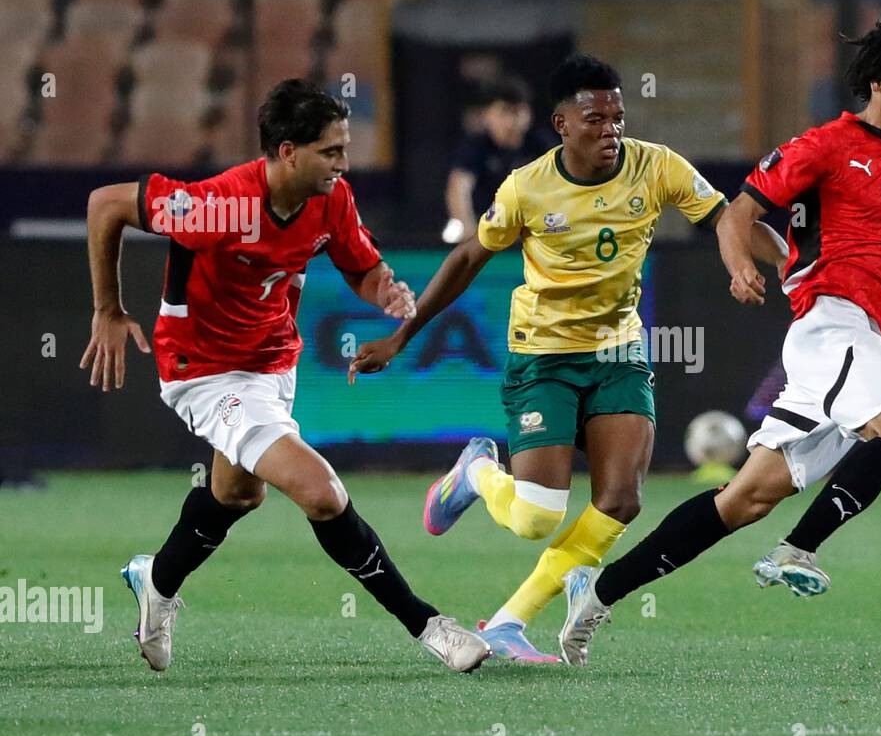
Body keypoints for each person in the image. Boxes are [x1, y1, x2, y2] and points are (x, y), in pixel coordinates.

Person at [558, 8, 881, 665]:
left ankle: (597, 591)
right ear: (877, 81)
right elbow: (740, 213)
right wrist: (739, 264)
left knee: (744, 498)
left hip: (871, 345)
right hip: (832, 324)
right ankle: (799, 550)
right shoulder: (823, 146)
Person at [348, 54, 786, 662]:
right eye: (594, 119)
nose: (610, 130)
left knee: (621, 501)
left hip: (619, 352)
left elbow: (729, 219)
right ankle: (476, 472)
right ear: (560, 123)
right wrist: (402, 335)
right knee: (534, 519)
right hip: (544, 357)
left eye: (618, 117)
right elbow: (469, 256)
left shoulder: (656, 167)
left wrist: (788, 264)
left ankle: (508, 622)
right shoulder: (526, 187)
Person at [80, 79, 491, 674]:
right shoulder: (218, 204)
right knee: (321, 493)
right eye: (331, 151)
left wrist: (388, 294)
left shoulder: (332, 198)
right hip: (206, 370)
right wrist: (108, 309)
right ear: (288, 152)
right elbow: (105, 204)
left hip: (274, 360)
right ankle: (430, 625)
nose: (343, 163)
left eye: (344, 148)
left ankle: (155, 580)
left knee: (238, 494)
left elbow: (362, 266)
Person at [443, 76, 551, 243]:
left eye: (517, 112)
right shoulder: (475, 147)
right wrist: (469, 231)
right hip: (487, 234)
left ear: (528, 114)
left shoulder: (542, 145)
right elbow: (459, 186)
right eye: (503, 112)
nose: (511, 121)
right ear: (487, 115)